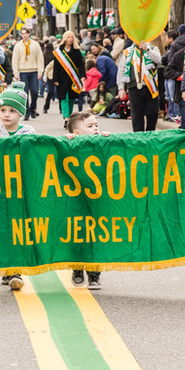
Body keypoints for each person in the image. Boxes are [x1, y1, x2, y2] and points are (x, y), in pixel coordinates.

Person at [0, 82, 35, 291]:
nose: (6, 115)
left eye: (12, 111)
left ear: (21, 113)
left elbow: (34, 157)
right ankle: (7, 267)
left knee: (18, 229)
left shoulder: (28, 132)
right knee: (2, 230)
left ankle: (16, 270)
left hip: (20, 192)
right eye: (3, 110)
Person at [66, 110, 108, 289]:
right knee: (77, 234)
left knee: (94, 235)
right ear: (76, 133)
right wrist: (65, 140)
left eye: (97, 125)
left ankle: (94, 274)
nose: (96, 129)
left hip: (96, 199)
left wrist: (111, 141)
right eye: (90, 126)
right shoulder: (70, 144)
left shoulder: (101, 143)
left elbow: (116, 153)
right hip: (75, 200)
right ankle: (77, 268)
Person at [118, 37, 162, 133]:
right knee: (137, 116)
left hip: (151, 87)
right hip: (134, 87)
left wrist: (147, 49)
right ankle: (139, 140)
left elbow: (158, 60)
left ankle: (150, 137)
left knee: (153, 113)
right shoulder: (127, 52)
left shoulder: (153, 48)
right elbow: (121, 70)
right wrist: (121, 88)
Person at [50, 31, 85, 129]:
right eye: (68, 37)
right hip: (62, 78)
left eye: (72, 37)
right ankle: (66, 118)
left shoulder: (76, 51)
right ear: (65, 38)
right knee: (64, 98)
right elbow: (55, 66)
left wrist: (83, 75)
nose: (70, 39)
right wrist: (55, 78)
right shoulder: (59, 51)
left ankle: (69, 116)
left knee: (71, 98)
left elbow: (81, 65)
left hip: (73, 78)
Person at [12, 28, 44, 120]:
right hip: (23, 71)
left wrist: (40, 71)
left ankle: (33, 107)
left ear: (29, 34)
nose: (24, 35)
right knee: (24, 92)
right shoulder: (18, 46)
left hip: (34, 71)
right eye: (22, 34)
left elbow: (40, 58)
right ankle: (27, 112)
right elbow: (15, 60)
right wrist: (16, 72)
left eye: (25, 33)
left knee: (34, 91)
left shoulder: (35, 45)